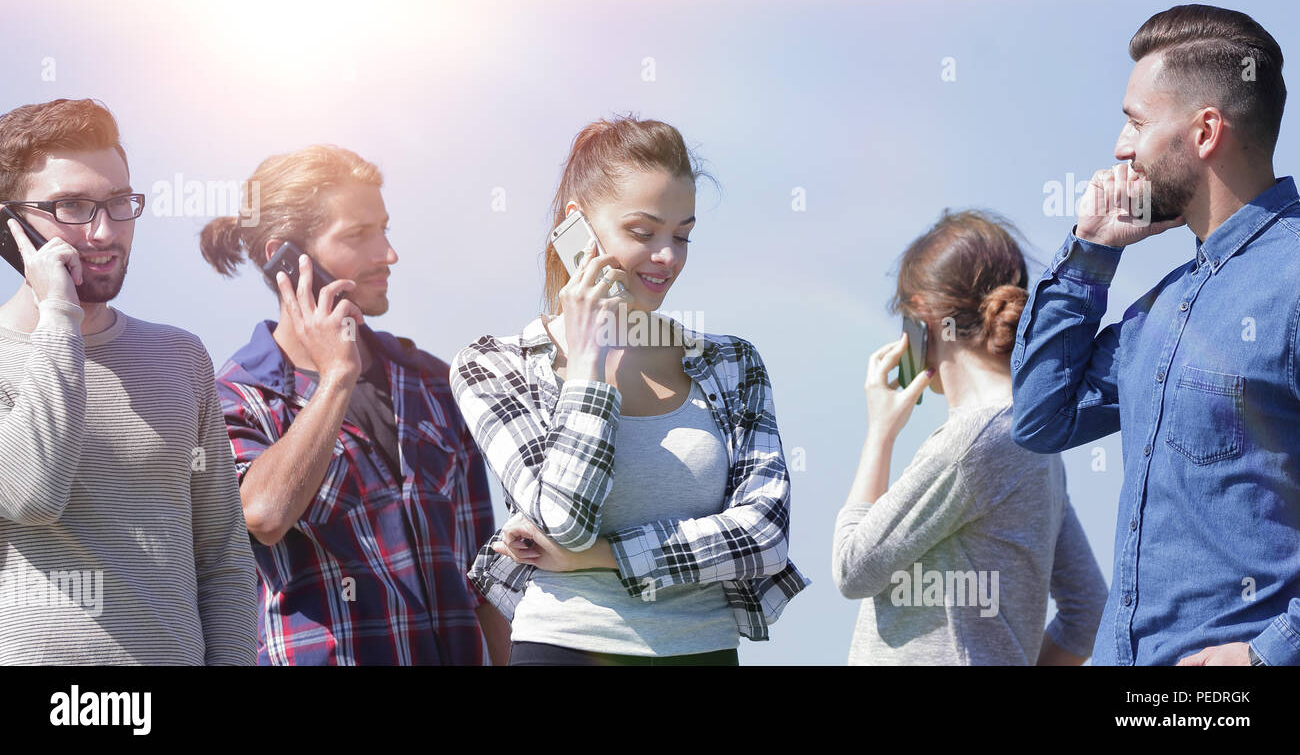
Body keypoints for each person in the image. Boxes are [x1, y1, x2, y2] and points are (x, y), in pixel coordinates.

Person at [451, 115, 809, 665]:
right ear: (578, 229)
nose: (667, 256)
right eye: (643, 233)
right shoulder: (495, 365)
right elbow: (564, 522)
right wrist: (589, 363)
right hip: (565, 649)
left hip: (703, 653)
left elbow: (763, 536)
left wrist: (607, 556)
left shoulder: (732, 363)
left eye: (682, 235)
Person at [1011, 4, 1299, 666]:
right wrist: (1091, 249)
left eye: (1136, 122)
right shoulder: (1160, 309)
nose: (1119, 147)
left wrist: (1271, 652)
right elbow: (1039, 417)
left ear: (1204, 131)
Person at [203, 144, 508, 665]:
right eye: (357, 235)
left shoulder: (433, 382)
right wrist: (337, 376)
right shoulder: (237, 395)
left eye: (384, 229)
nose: (387, 254)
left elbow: (484, 578)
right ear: (286, 256)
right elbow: (266, 512)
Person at [0, 98, 257, 664]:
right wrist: (59, 319)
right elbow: (31, 496)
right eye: (71, 206)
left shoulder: (180, 356)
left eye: (120, 203)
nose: (103, 231)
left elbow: (224, 559)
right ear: (9, 221)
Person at [831, 210, 1108, 665]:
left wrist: (879, 434)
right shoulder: (1036, 440)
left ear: (922, 319)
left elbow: (852, 568)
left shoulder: (968, 443)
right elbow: (1089, 614)